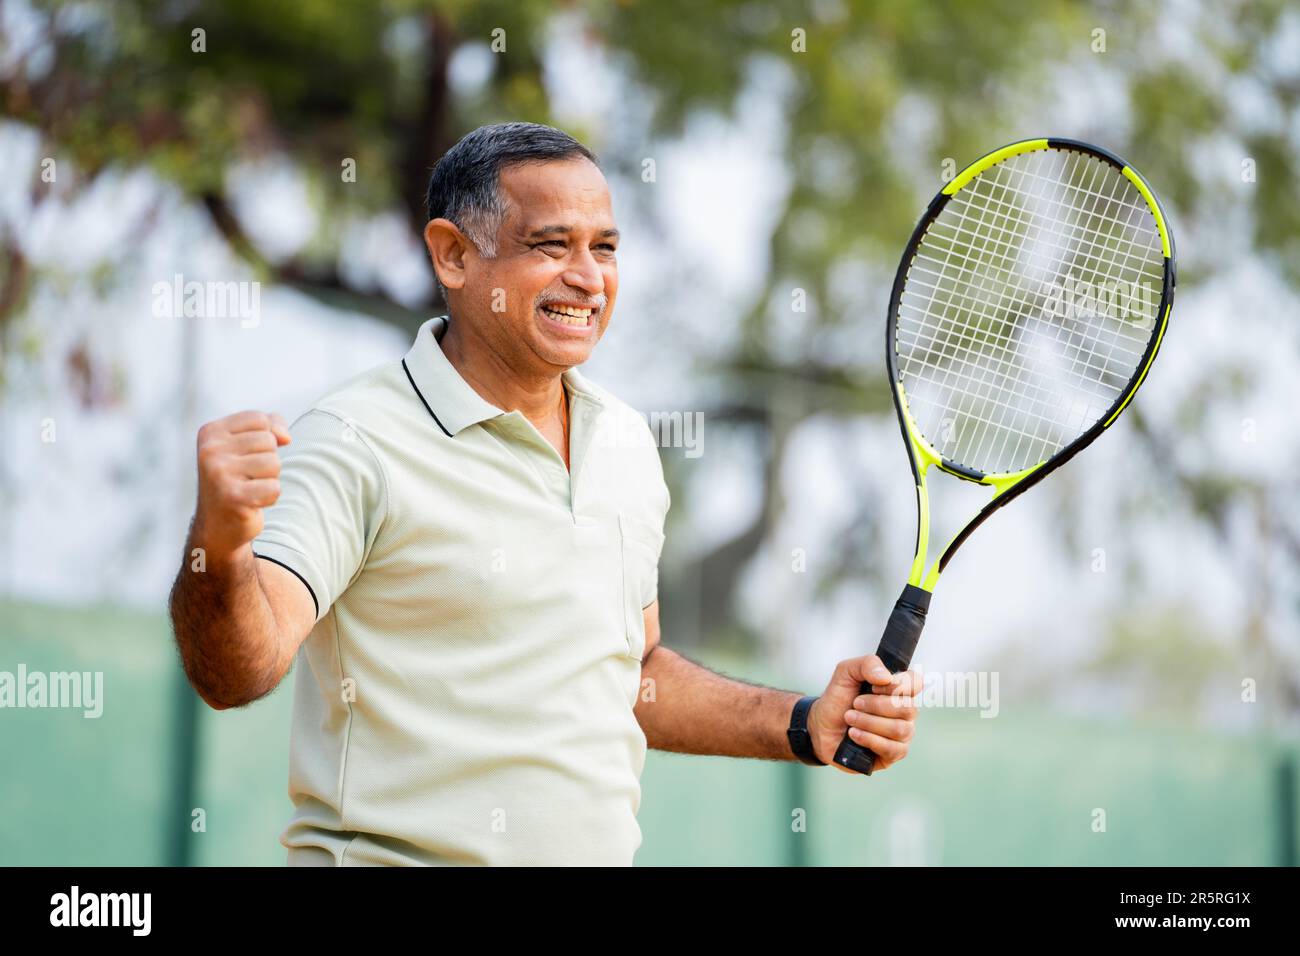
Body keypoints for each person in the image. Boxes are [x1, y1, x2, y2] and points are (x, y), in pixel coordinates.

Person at [168, 122, 920, 866]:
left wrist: (803, 722)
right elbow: (238, 670)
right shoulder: (353, 438)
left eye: (606, 248)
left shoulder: (625, 443)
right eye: (551, 246)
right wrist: (221, 546)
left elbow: (633, 673)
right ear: (453, 255)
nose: (589, 278)